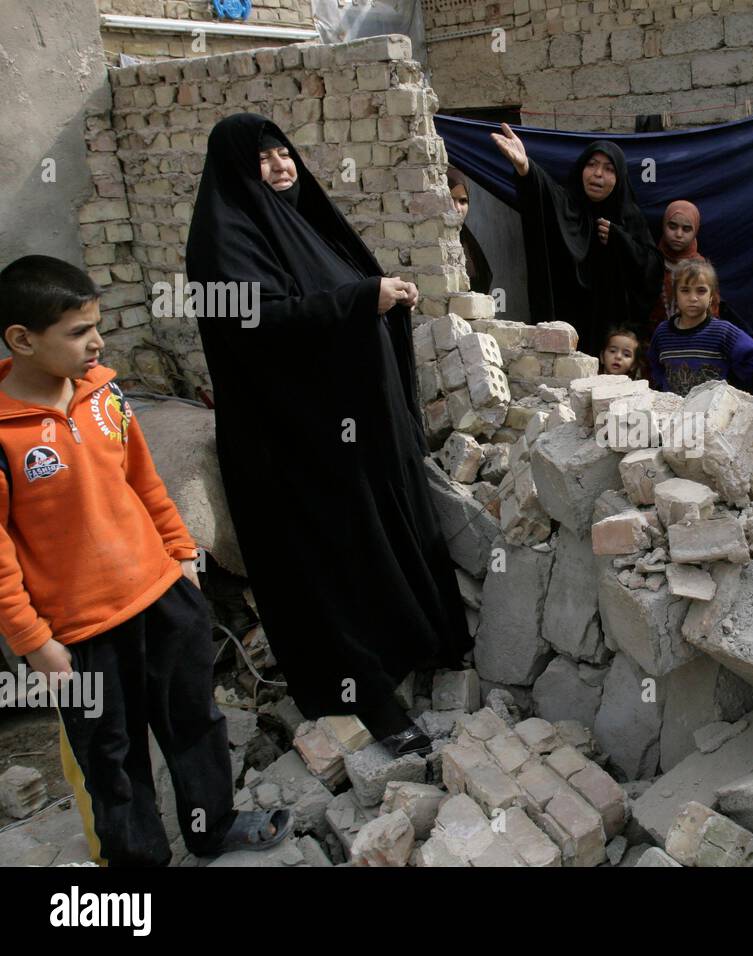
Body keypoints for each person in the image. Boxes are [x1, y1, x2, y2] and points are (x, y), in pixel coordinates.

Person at [185, 114, 471, 757]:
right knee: (328, 558)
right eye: (262, 159)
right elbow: (254, 326)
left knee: (375, 537)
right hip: (289, 441)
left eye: (284, 152)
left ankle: (412, 648)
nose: (280, 166)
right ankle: (364, 691)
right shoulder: (222, 237)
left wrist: (378, 299)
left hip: (348, 430)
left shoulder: (301, 219)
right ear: (236, 170)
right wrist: (361, 299)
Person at [0, 255, 291, 865]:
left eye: (96, 325)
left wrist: (181, 555)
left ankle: (213, 828)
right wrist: (34, 642)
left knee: (195, 723)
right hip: (80, 633)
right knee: (113, 758)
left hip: (162, 597)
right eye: (78, 332)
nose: (97, 341)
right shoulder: (5, 436)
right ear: (22, 340)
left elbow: (143, 478)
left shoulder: (104, 393)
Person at [490, 124, 662, 355]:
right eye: (591, 165)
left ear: (619, 177)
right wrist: (525, 167)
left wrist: (620, 240)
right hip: (570, 326)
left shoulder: (629, 218)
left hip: (614, 342)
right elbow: (546, 193)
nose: (598, 174)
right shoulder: (569, 204)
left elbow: (651, 270)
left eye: (608, 168)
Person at [648, 258, 753, 396]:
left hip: (711, 412)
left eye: (701, 291)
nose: (693, 298)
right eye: (685, 290)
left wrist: (732, 384)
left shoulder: (723, 332)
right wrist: (661, 385)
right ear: (676, 295)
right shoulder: (663, 332)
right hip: (673, 412)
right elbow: (653, 362)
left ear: (711, 296)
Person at [648, 200, 704, 331]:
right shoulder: (650, 261)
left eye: (686, 229)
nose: (678, 234)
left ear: (695, 230)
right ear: (663, 225)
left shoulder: (702, 269)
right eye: (672, 227)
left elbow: (711, 313)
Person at [445, 165, 494, 296]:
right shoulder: (427, 244)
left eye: (463, 201)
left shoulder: (469, 244)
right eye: (451, 199)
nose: (457, 208)